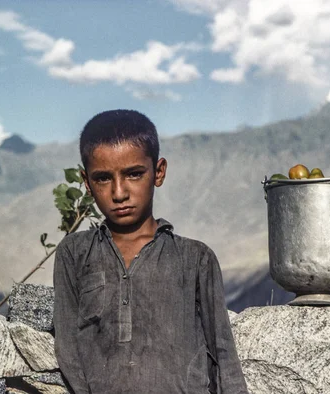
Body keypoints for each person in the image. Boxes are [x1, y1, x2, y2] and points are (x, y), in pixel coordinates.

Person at [53, 109, 249, 394]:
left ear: (158, 172)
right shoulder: (75, 253)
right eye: (103, 179)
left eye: (133, 174)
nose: (119, 193)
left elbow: (224, 354)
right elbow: (69, 347)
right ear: (86, 182)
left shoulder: (195, 258)